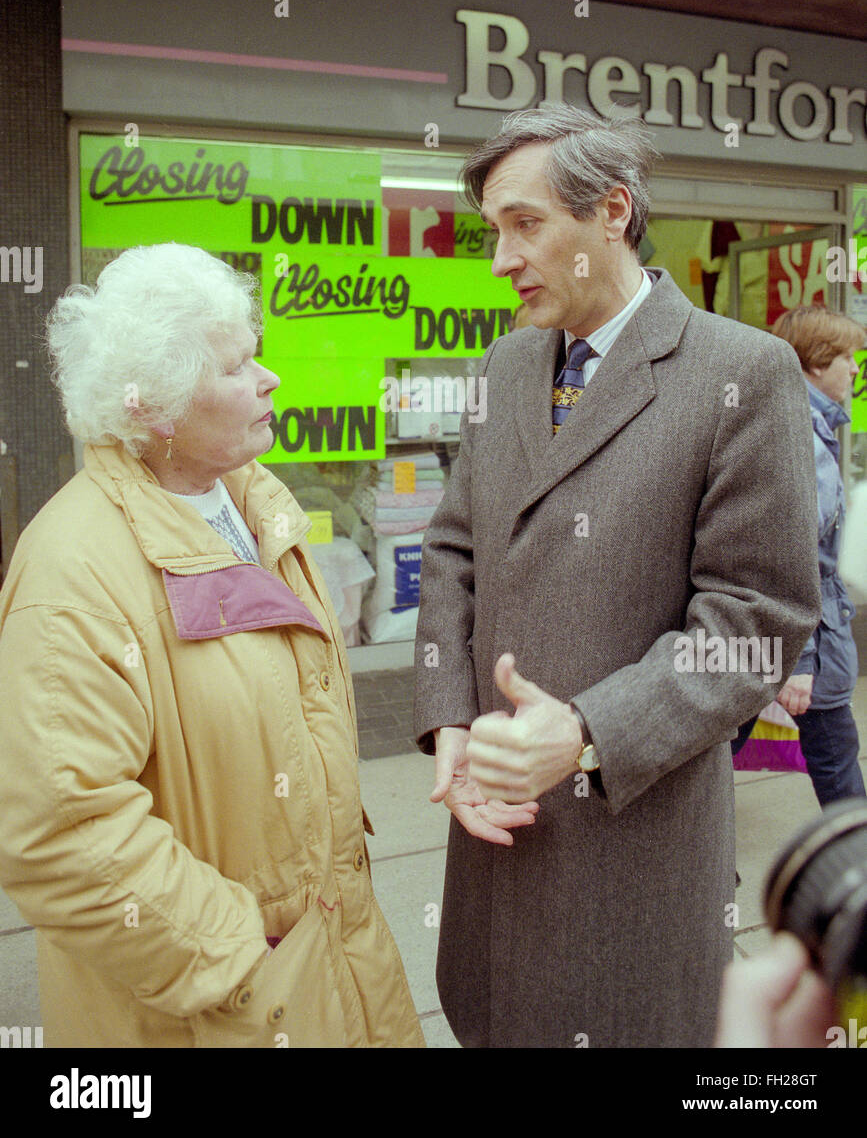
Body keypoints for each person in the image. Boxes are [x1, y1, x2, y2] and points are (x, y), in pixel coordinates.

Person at [413, 103, 822, 1048]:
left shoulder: (740, 370)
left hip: (631, 849)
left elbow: (756, 616)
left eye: (524, 224)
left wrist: (591, 731)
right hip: (492, 839)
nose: (500, 260)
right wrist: (448, 723)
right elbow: (452, 549)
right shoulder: (509, 362)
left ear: (610, 212)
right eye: (492, 231)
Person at [0, 243, 423, 1048]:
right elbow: (59, 834)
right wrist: (240, 952)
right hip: (219, 1009)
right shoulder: (73, 572)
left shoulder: (254, 503)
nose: (267, 378)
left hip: (332, 966)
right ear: (155, 405)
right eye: (237, 366)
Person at [767, 304, 866, 804]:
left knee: (718, 752)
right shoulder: (801, 433)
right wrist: (799, 660)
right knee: (839, 770)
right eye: (846, 357)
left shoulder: (801, 421)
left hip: (793, 643)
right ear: (815, 361)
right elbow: (790, 550)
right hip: (813, 645)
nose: (855, 368)